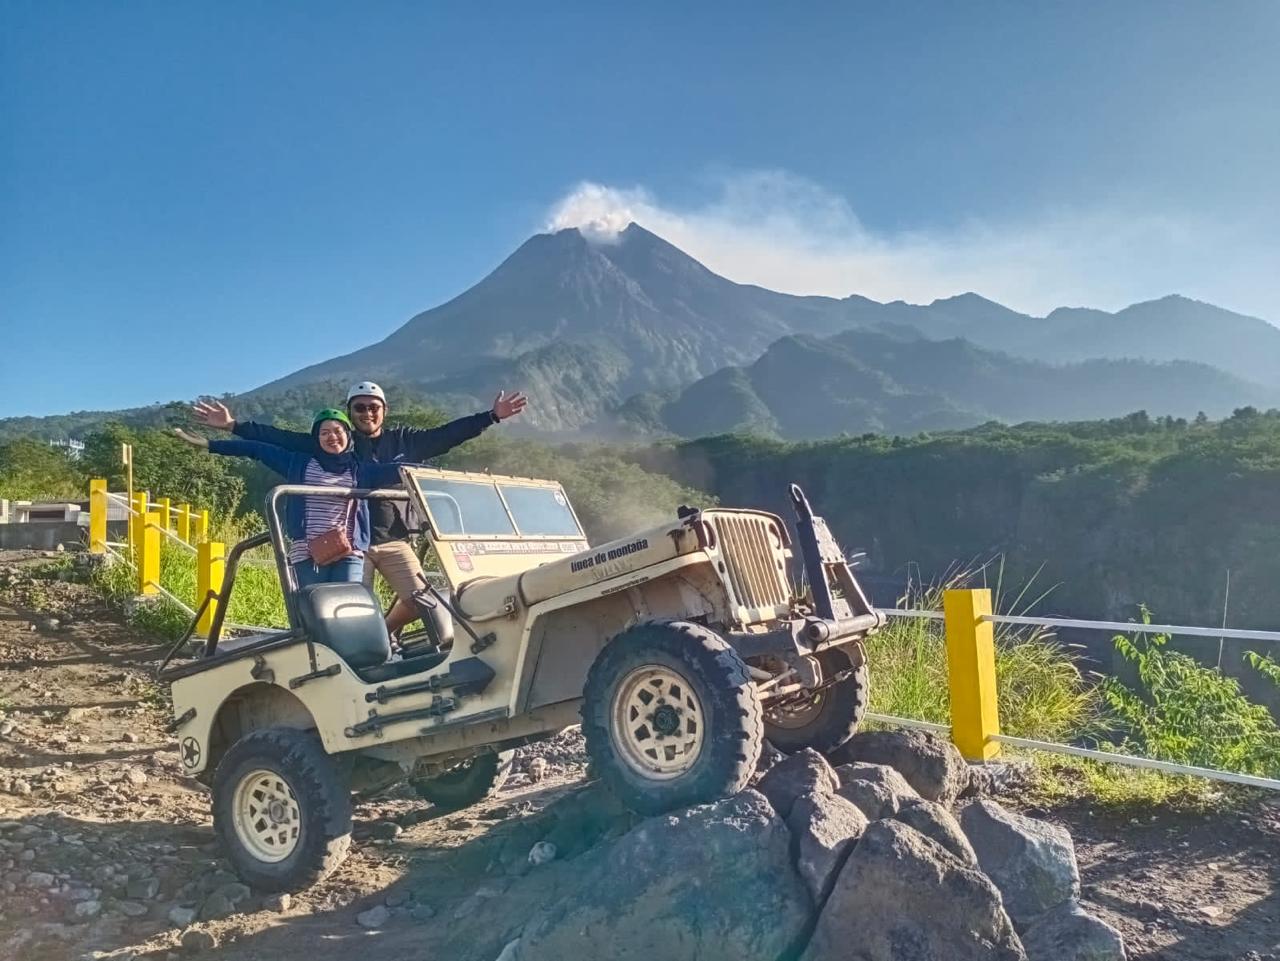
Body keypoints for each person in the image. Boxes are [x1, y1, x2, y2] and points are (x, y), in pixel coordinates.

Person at [192, 383, 527, 630]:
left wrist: (491, 417)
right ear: (350, 414)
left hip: (394, 537)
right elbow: (274, 441)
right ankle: (359, 653)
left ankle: (384, 631)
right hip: (350, 543)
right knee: (348, 609)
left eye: (373, 407)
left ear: (384, 410)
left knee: (420, 598)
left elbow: (448, 435)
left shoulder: (405, 442)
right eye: (360, 408)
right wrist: (234, 427)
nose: (367, 413)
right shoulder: (332, 443)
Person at [174, 408, 410, 588]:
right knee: (312, 607)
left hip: (349, 551)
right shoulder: (299, 464)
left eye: (338, 431)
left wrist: (437, 476)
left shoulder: (361, 470)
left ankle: (347, 653)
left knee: (347, 602)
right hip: (306, 550)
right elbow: (255, 448)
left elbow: (402, 470)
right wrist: (209, 445)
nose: (332, 437)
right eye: (324, 432)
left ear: (348, 435)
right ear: (316, 438)